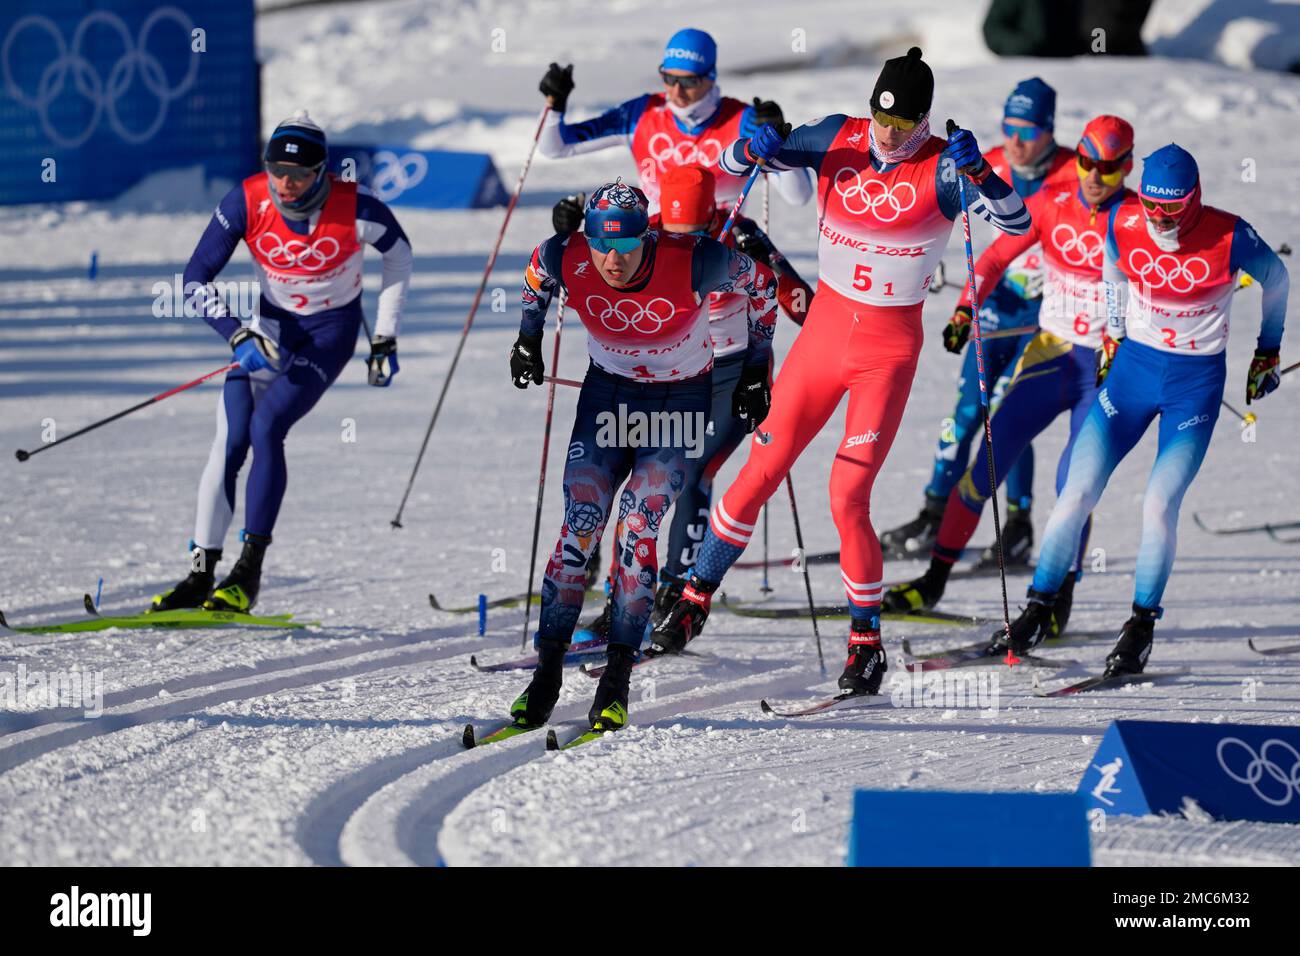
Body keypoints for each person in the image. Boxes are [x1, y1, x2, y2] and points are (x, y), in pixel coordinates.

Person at [650, 47, 1031, 696]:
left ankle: (866, 642)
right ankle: (692, 601)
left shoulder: (945, 166)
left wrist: (985, 178)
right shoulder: (838, 136)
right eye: (881, 119)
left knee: (846, 498)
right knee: (756, 475)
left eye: (903, 126)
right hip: (824, 337)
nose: (887, 136)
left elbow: (1017, 222)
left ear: (924, 120)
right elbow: (731, 168)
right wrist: (754, 144)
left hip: (885, 353)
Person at [991, 143, 1287, 676]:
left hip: (1192, 390)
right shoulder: (1125, 220)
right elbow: (1112, 268)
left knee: (1157, 503)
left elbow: (1279, 279)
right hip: (1131, 376)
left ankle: (1141, 625)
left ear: (1195, 200)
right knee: (1076, 493)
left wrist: (1268, 350)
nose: (1160, 219)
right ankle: (1038, 608)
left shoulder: (1230, 234)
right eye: (1154, 206)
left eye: (1173, 210)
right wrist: (1115, 332)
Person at [506, 180, 777, 735]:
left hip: (678, 401)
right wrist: (526, 340)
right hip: (608, 395)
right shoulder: (567, 253)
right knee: (579, 529)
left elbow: (764, 288)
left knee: (637, 526)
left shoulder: (697, 260)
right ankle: (546, 675)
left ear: (646, 239)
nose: (612, 260)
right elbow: (535, 276)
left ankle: (616, 682)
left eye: (626, 248)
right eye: (602, 246)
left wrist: (755, 366)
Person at [150, 111, 412, 613]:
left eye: (299, 174)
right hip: (267, 331)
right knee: (229, 439)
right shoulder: (245, 201)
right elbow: (194, 279)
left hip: (328, 336)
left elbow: (399, 254)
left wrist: (384, 337)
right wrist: (235, 334)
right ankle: (200, 575)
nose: (286, 184)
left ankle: (247, 573)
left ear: (322, 171)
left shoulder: (357, 207)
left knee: (268, 427)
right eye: (277, 172)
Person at [884, 116, 1138, 632]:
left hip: (1107, 369)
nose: (1095, 176)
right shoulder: (1055, 200)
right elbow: (996, 256)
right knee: (986, 466)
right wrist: (962, 310)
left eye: (1109, 169)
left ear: (1126, 168)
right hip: (1051, 355)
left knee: (1076, 486)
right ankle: (934, 579)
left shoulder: (1139, 218)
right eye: (1087, 161)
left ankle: (1056, 598)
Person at [880, 78, 1074, 564]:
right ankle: (933, 514)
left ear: (1049, 130)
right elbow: (931, 202)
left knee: (1009, 414)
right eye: (1010, 128)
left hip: (1050, 313)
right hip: (995, 304)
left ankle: (1019, 523)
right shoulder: (992, 162)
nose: (1017, 141)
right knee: (965, 413)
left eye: (1028, 130)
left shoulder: (1077, 172)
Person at [536, 27, 813, 212]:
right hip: (657, 255)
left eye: (689, 81)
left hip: (722, 260)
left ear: (711, 77)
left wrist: (778, 138)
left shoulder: (743, 119)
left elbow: (798, 197)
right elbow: (555, 147)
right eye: (669, 79)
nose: (677, 91)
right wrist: (555, 105)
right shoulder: (640, 113)